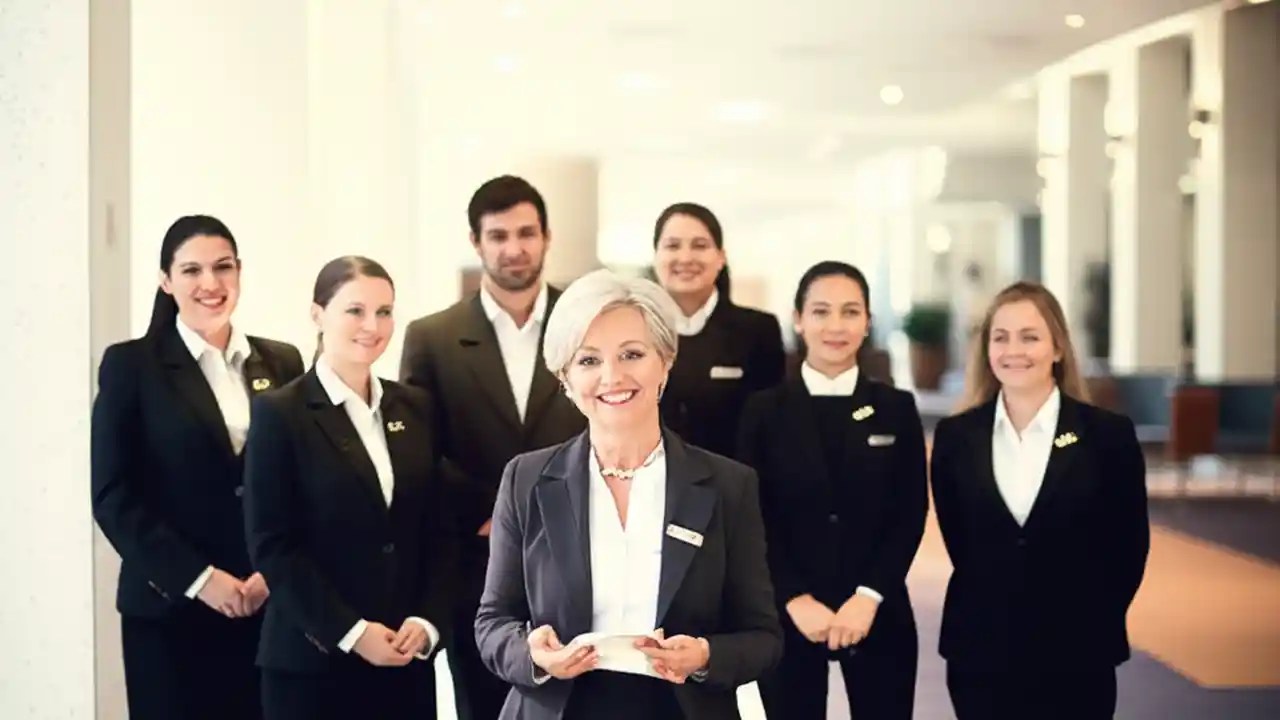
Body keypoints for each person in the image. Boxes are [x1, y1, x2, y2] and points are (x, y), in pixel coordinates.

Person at [474, 269, 783, 720]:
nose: (612, 377)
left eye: (632, 354)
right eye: (588, 360)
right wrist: (533, 656)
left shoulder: (728, 486)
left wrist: (703, 656)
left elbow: (763, 638)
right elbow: (492, 623)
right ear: (565, 377)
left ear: (666, 361)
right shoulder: (526, 478)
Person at [91, 215, 304, 720]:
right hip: (171, 611)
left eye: (223, 267)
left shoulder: (282, 363)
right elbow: (114, 496)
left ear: (239, 272)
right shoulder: (131, 367)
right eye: (191, 271)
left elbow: (304, 484)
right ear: (166, 281)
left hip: (266, 607)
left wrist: (271, 573)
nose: (210, 284)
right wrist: (201, 579)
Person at [400, 175, 585, 720]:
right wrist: (498, 511)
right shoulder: (431, 336)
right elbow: (421, 451)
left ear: (547, 237)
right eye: (498, 235)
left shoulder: (585, 324)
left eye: (526, 233)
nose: (514, 248)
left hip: (578, 552)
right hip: (478, 568)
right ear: (476, 242)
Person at [244, 256, 453, 720]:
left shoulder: (415, 407)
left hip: (404, 663)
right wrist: (353, 632)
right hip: (313, 667)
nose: (372, 326)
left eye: (384, 311)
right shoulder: (281, 414)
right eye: (355, 310)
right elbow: (272, 546)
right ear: (318, 314)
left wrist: (427, 620)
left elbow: (437, 529)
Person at [930, 281, 1150, 720]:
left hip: (1078, 650)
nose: (1014, 350)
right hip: (981, 650)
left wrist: (1090, 618)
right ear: (986, 350)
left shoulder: (1107, 435)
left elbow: (1128, 547)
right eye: (1001, 337)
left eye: (1030, 337)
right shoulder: (956, 438)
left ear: (1058, 348)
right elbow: (962, 543)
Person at [738, 261, 926, 719]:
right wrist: (793, 597)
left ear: (867, 323)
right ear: (799, 320)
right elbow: (750, 515)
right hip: (789, 616)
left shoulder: (895, 409)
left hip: (877, 611)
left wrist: (869, 596)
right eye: (821, 312)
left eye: (850, 312)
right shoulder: (763, 411)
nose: (835, 326)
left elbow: (909, 511)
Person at [651, 202, 785, 459]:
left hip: (735, 488)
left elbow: (772, 431)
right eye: (672, 245)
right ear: (656, 256)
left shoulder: (758, 331)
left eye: (700, 245)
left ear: (721, 257)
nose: (686, 257)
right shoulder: (637, 331)